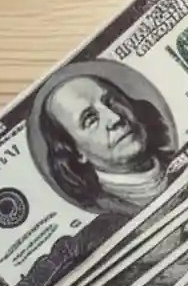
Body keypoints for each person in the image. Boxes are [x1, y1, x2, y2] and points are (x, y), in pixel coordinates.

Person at [38, 74, 175, 216]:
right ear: (77, 152)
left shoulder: (179, 156)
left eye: (111, 102)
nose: (115, 118)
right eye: (91, 120)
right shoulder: (106, 213)